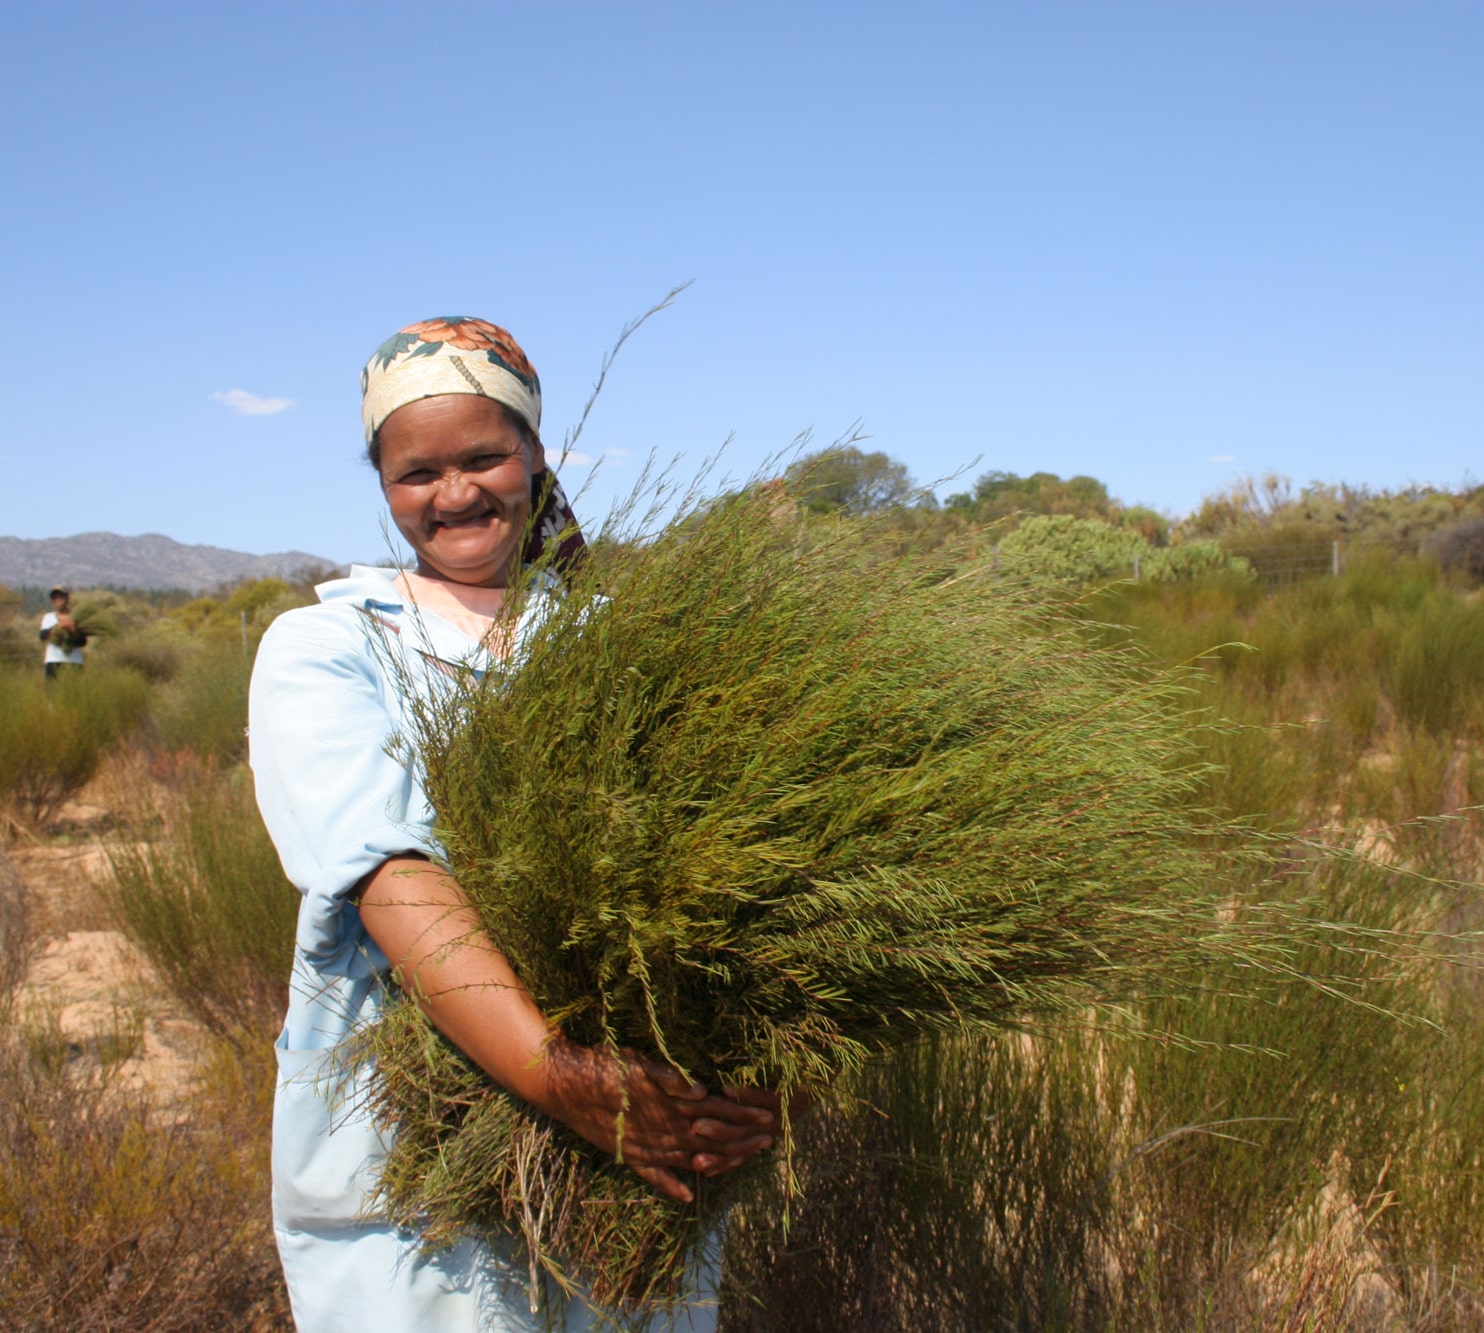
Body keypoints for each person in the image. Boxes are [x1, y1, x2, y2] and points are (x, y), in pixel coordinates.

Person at [249, 317, 779, 1332]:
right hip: (417, 1156)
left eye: (486, 456)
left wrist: (756, 1084)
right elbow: (387, 870)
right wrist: (550, 1071)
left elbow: (735, 885)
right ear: (380, 480)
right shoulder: (326, 646)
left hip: (644, 1137)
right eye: (417, 473)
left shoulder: (626, 641)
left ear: (537, 455)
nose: (455, 493)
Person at [39, 586, 84, 679]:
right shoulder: (48, 617)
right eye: (54, 598)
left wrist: (72, 629)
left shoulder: (77, 617)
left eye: (60, 597)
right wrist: (59, 627)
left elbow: (82, 642)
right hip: (53, 662)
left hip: (74, 662)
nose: (57, 600)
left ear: (66, 599)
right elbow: (42, 636)